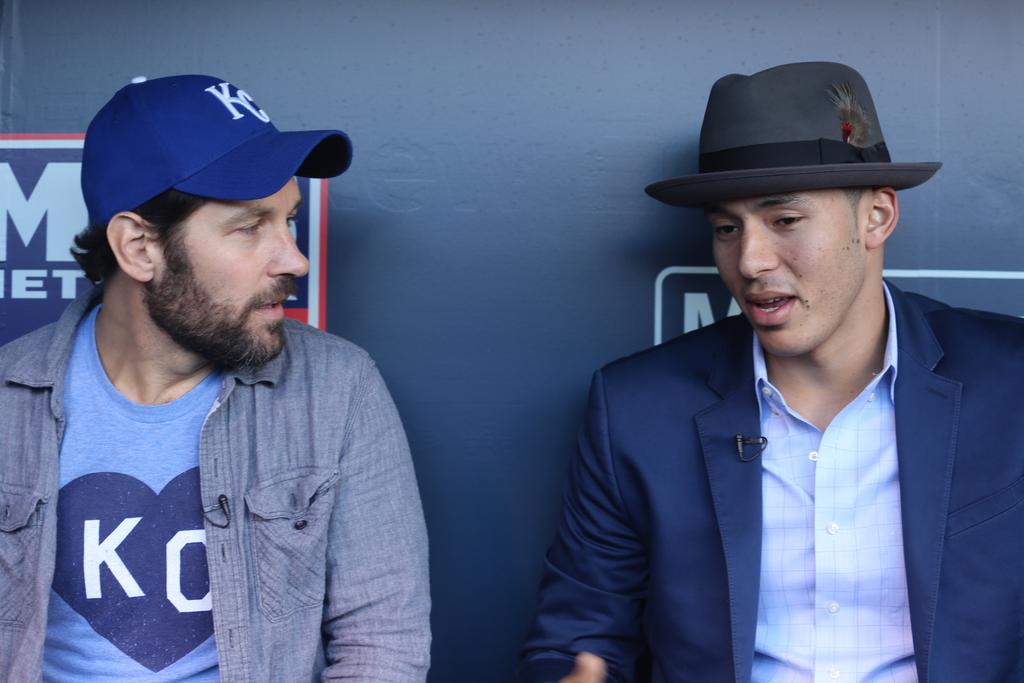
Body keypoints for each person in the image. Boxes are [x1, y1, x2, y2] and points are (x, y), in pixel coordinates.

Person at [518, 61, 1024, 683]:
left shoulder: (1011, 380)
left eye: (784, 221)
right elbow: (579, 633)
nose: (750, 261)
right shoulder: (635, 408)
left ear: (877, 216)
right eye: (726, 229)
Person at [0, 75, 430, 681]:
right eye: (250, 227)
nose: (294, 259)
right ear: (140, 248)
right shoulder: (8, 400)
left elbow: (382, 644)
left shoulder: (339, 389)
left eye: (289, 220)